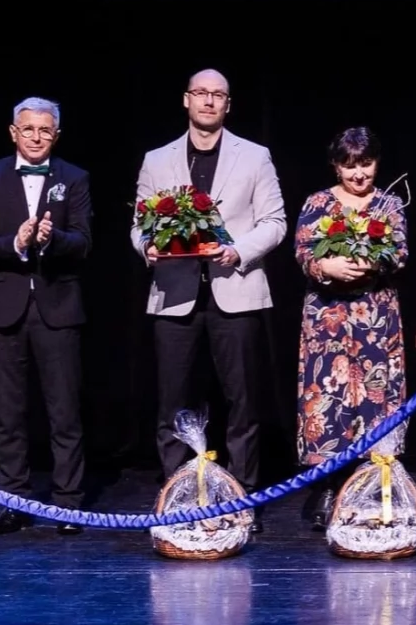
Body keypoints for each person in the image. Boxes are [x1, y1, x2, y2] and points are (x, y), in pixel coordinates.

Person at [130, 69, 286, 532]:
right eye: (201, 93)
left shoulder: (255, 157)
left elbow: (275, 221)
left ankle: (241, 502)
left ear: (228, 105)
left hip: (235, 290)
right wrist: (146, 246)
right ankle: (176, 500)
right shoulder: (157, 159)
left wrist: (237, 249)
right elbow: (140, 224)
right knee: (172, 404)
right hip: (175, 294)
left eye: (218, 95)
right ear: (186, 100)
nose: (209, 101)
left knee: (242, 405)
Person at [295, 127, 409, 529]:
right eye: (349, 166)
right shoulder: (318, 202)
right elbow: (303, 251)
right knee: (329, 401)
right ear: (336, 165)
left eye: (366, 164)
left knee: (376, 402)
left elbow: (399, 251)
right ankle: (328, 488)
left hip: (375, 318)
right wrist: (326, 266)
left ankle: (375, 487)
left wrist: (372, 262)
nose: (359, 174)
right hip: (328, 321)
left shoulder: (389, 204)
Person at [0, 97, 90, 535]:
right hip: (5, 306)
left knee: (64, 412)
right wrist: (14, 242)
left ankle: (68, 503)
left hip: (58, 307)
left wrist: (54, 240)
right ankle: (10, 500)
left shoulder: (73, 177)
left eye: (45, 130)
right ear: (13, 132)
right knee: (8, 414)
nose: (36, 137)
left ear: (57, 135)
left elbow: (85, 242)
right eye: (28, 129)